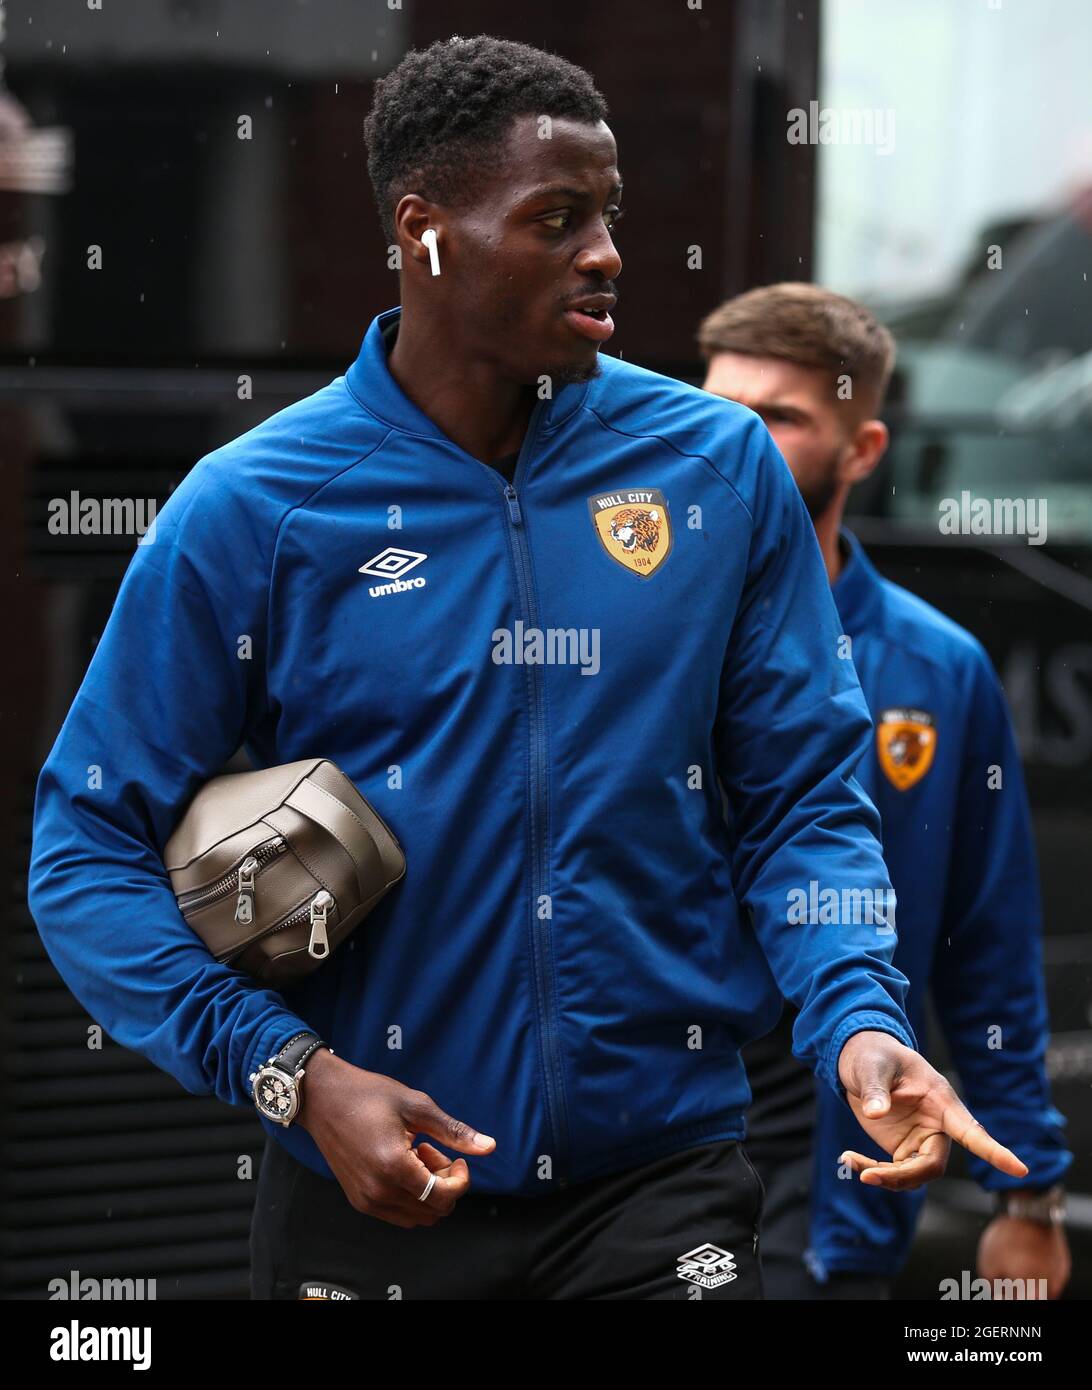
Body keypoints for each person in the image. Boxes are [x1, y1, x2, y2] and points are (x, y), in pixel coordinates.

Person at [28, 37, 1026, 1303]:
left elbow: (803, 805)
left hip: (662, 1188)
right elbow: (84, 848)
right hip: (368, 1195)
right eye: (558, 220)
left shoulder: (717, 471)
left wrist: (862, 1021)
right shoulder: (257, 508)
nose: (606, 253)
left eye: (608, 216)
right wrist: (290, 1069)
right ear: (425, 230)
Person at [699, 281, 1072, 1300]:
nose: (734, 440)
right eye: (717, 408)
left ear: (862, 450)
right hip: (647, 1173)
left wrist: (1029, 1194)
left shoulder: (935, 667)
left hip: (837, 1186)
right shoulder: (638, 636)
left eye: (777, 417)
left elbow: (988, 950)